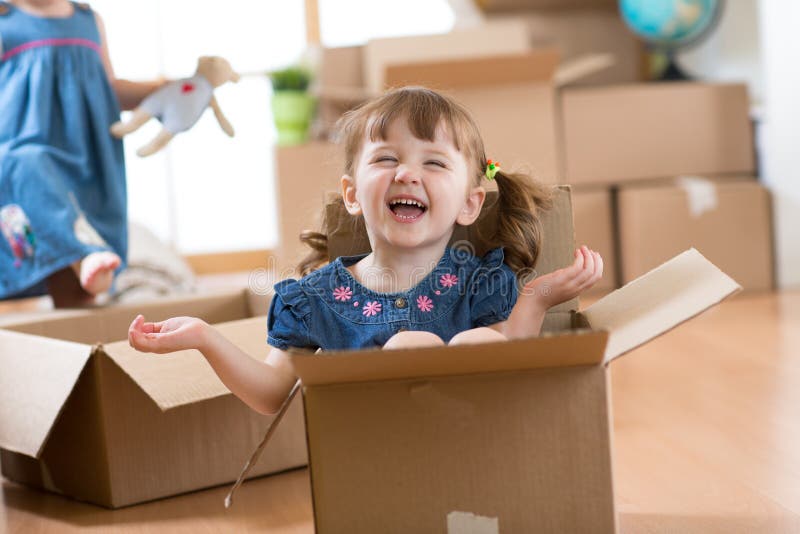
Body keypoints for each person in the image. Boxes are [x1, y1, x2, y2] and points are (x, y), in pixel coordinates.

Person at [128, 87, 603, 415]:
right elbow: (272, 394)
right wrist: (204, 336)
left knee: (476, 344)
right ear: (352, 194)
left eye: (434, 162)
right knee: (404, 347)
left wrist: (536, 298)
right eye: (386, 158)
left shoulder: (478, 282)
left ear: (468, 203)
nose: (407, 174)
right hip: (373, 459)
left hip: (474, 446)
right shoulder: (314, 298)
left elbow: (514, 362)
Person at [0, 0, 164, 306]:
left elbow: (110, 89)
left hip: (85, 157)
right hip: (21, 156)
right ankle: (87, 253)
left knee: (78, 291)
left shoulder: (89, 19)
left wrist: (164, 89)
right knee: (28, 169)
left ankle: (87, 283)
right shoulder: (5, 20)